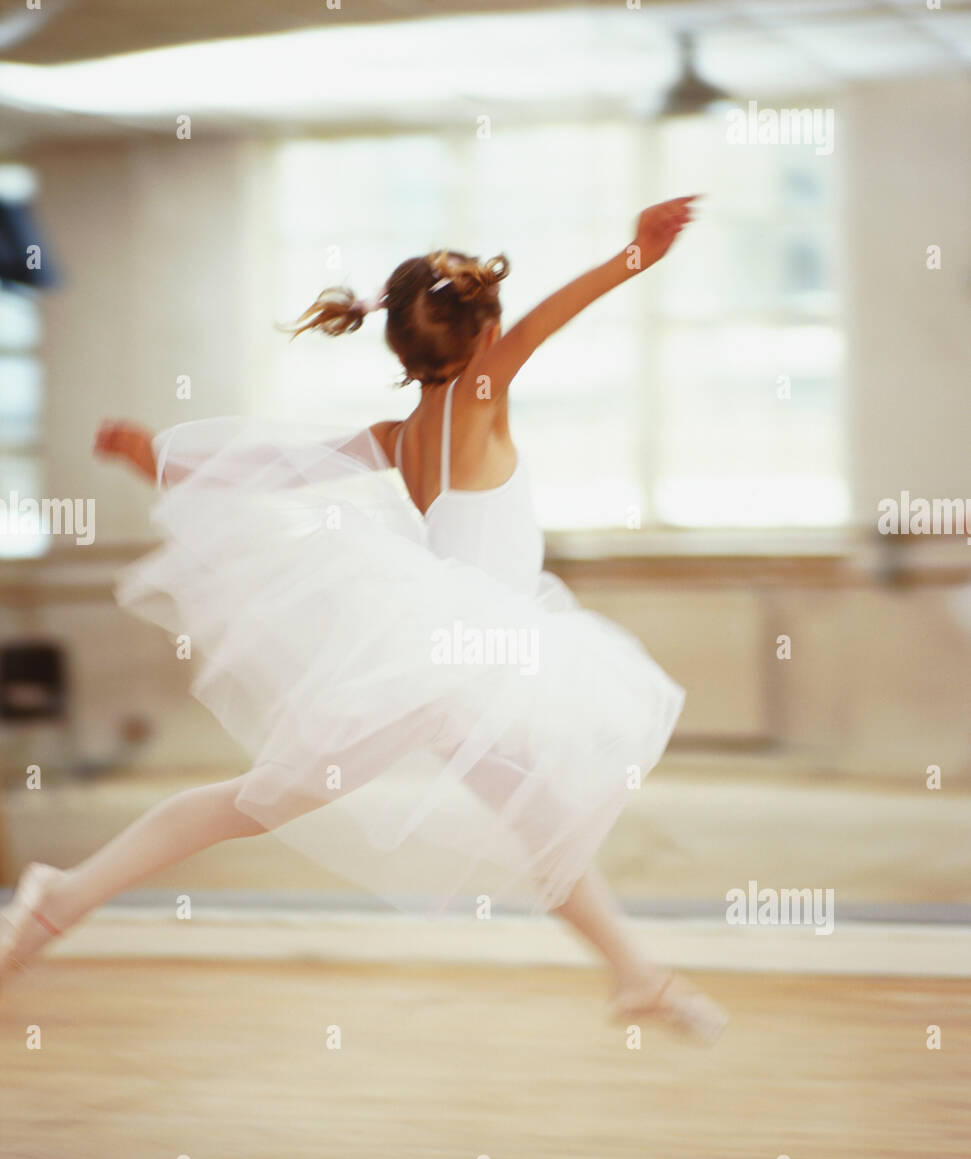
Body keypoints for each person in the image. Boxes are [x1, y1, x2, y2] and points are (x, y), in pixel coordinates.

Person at [1, 196, 727, 1043]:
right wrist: (636, 255)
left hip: (464, 656)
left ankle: (635, 976)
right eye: (500, 329)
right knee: (260, 801)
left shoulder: (400, 431)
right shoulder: (485, 388)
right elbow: (547, 322)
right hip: (448, 653)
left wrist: (160, 459)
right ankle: (66, 894)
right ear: (485, 337)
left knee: (538, 818)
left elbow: (276, 467)